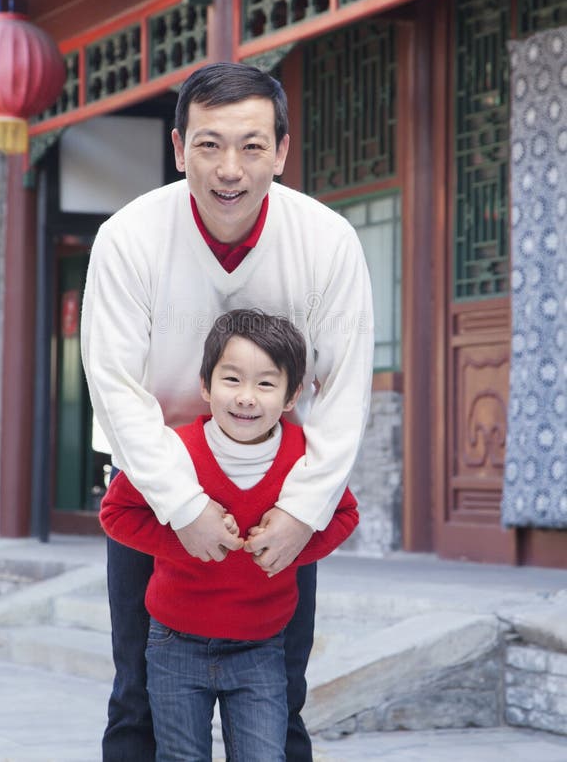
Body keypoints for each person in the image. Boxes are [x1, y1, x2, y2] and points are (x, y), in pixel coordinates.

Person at [80, 61, 374, 762]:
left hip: (277, 490)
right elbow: (115, 383)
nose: (229, 168)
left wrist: (304, 510)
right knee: (138, 698)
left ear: (282, 150)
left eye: (250, 144)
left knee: (281, 695)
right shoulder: (128, 237)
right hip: (156, 490)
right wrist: (182, 503)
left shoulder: (327, 241)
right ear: (179, 149)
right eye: (209, 145)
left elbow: (341, 388)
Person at [100, 309, 359, 762]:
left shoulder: (305, 458)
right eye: (232, 379)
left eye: (265, 383)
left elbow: (345, 512)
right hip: (174, 643)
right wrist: (182, 540)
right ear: (205, 385)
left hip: (260, 647)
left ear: (292, 394)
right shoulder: (173, 451)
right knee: (180, 756)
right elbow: (116, 511)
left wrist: (291, 548)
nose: (246, 398)